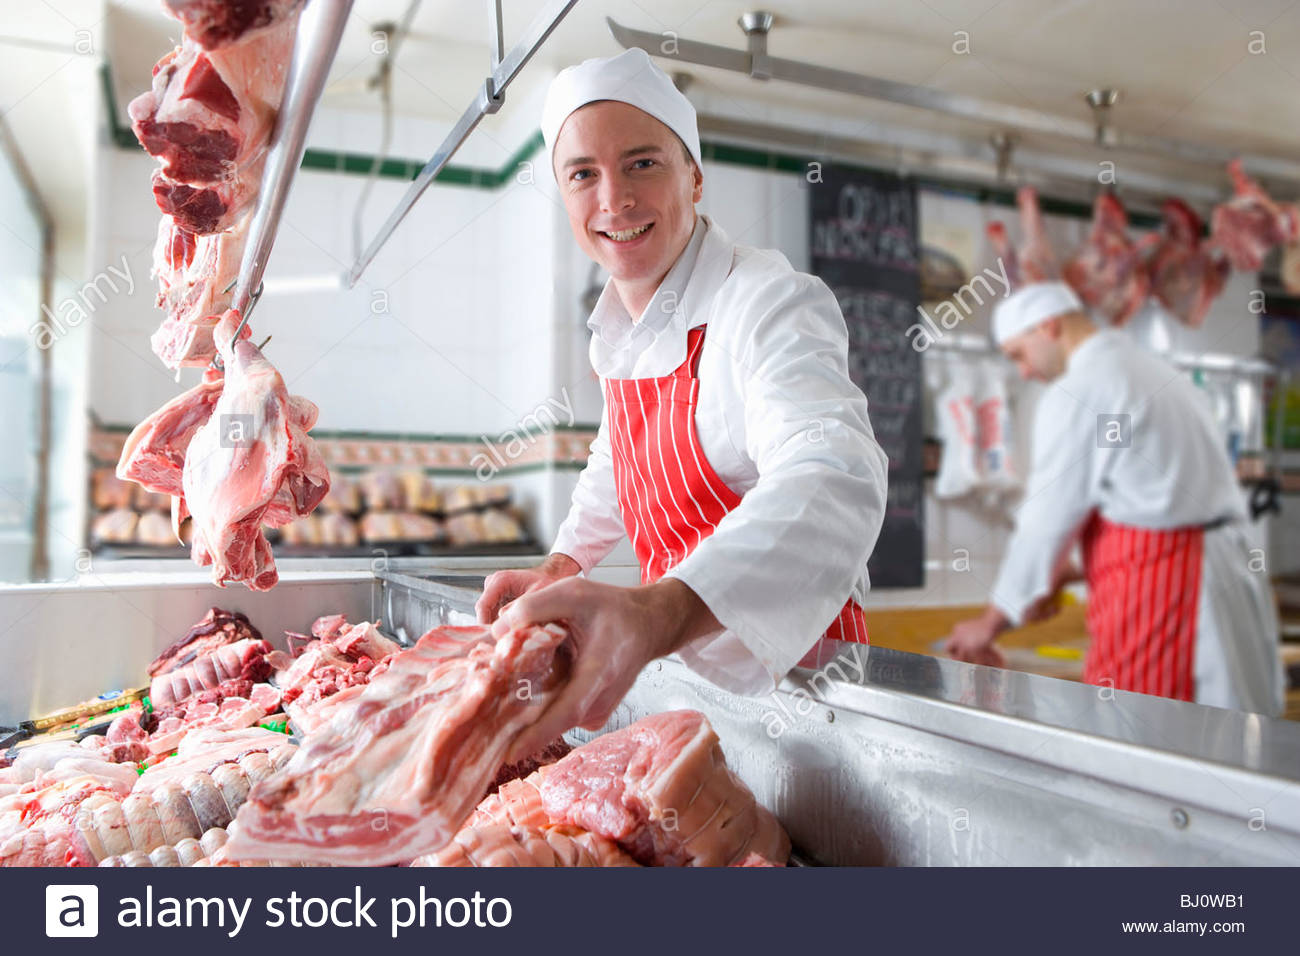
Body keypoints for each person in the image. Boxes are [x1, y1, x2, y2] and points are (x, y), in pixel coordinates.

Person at [476, 48, 888, 757]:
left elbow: (835, 472)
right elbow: (620, 461)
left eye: (642, 163)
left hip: (803, 691)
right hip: (687, 680)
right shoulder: (625, 330)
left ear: (694, 176)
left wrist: (661, 608)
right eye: (583, 175)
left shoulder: (767, 302)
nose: (614, 200)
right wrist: (564, 562)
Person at [946, 280, 1284, 715]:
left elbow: (1047, 519)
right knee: (1224, 739)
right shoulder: (1150, 370)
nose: (1025, 371)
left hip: (1167, 590)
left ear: (1048, 327)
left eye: (1018, 355)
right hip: (1217, 574)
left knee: (1147, 735)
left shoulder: (1082, 389)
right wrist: (1066, 574)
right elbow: (1148, 501)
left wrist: (991, 621)